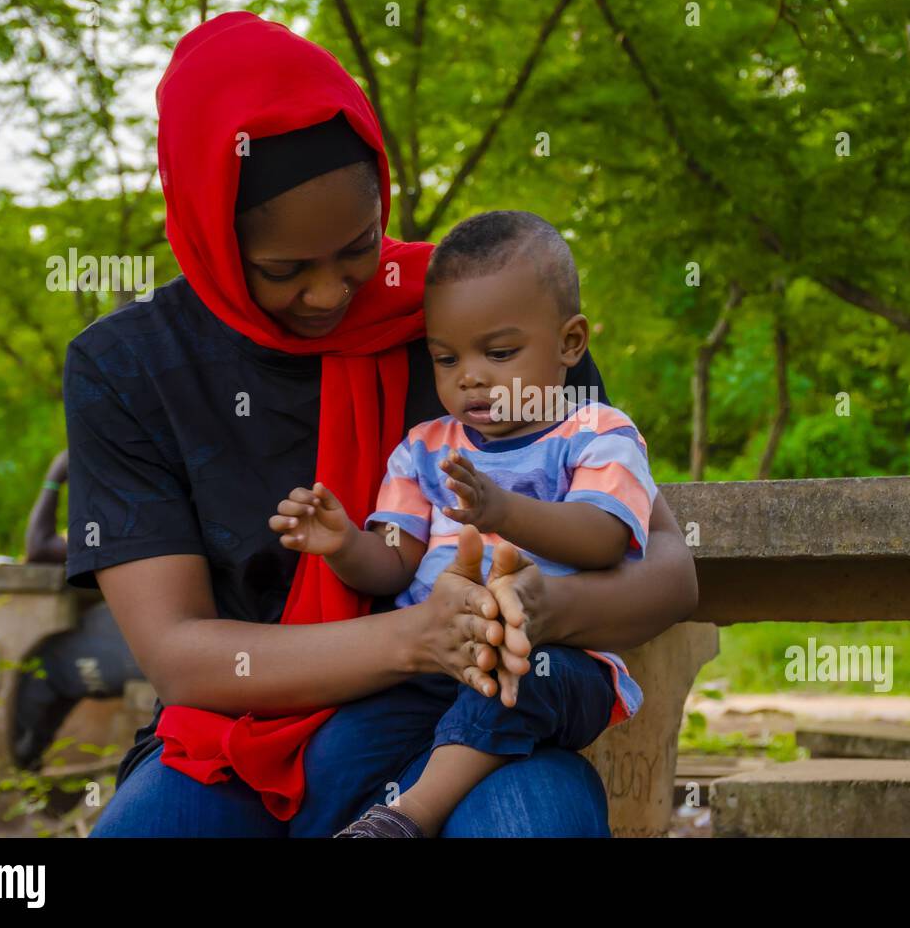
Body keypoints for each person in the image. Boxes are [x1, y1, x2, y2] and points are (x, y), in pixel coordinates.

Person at [69, 12, 696, 838]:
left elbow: (664, 573)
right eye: (286, 271)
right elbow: (178, 652)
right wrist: (416, 634)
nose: (331, 294)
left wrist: (537, 609)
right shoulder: (131, 367)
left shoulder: (485, 313)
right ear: (209, 228)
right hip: (233, 739)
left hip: (475, 724)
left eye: (358, 249)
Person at [273, 211, 653, 837]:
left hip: (555, 661)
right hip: (434, 665)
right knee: (335, 754)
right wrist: (343, 545)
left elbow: (604, 536)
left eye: (499, 353)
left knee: (516, 686)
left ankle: (408, 820)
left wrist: (504, 511)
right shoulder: (426, 448)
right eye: (445, 359)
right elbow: (393, 559)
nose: (471, 376)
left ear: (571, 343)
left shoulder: (597, 434)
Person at [9, 449, 144, 770]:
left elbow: (39, 547)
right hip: (179, 633)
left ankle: (26, 761)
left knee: (47, 665)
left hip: (153, 643)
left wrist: (55, 477)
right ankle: (30, 759)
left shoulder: (127, 520)